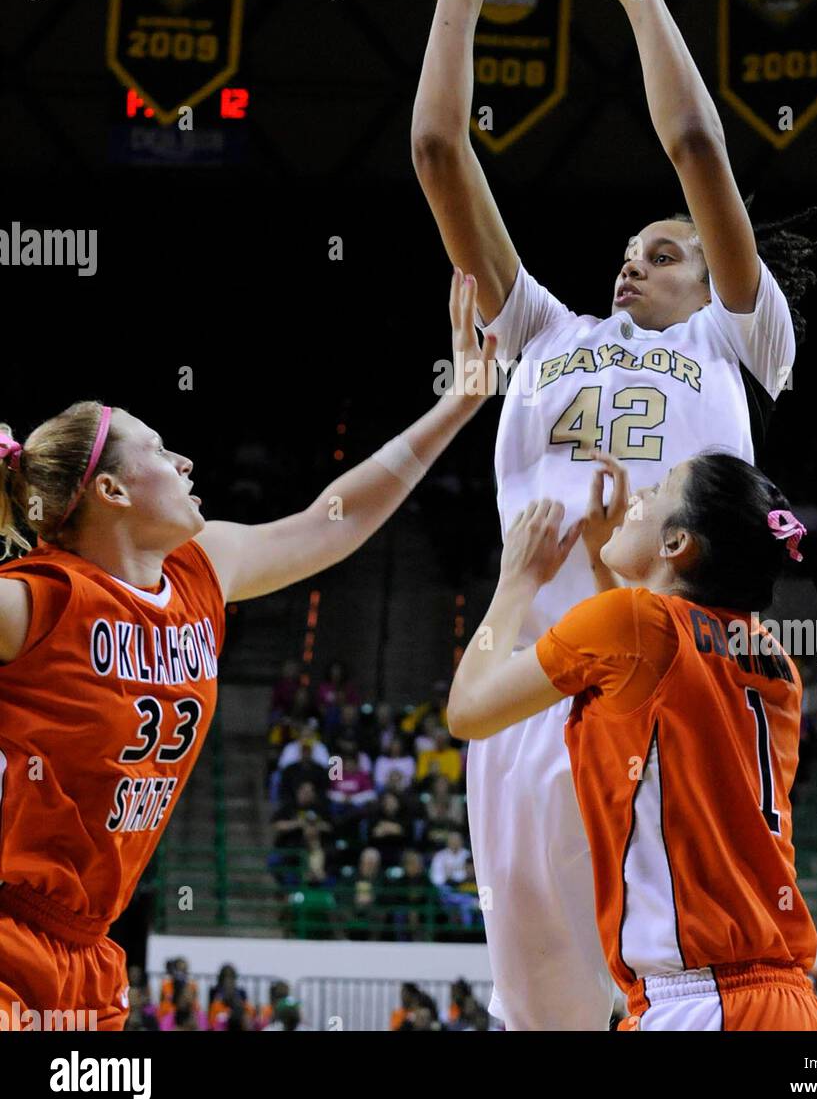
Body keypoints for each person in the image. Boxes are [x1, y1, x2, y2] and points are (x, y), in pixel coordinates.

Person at [413, 0, 817, 1030]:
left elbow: (700, 153)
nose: (631, 261)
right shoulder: (538, 327)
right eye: (628, 250)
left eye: (662, 250)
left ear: (710, 276)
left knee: (702, 977)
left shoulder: (732, 341)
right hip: (531, 692)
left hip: (667, 689)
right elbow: (441, 153)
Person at [0, 271, 496, 1030]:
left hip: (91, 951)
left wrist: (457, 403)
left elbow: (332, 522)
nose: (186, 462)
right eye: (161, 452)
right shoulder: (37, 600)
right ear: (113, 493)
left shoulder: (203, 570)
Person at [448, 449, 817, 1029]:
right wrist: (603, 557)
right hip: (785, 1001)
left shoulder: (636, 627)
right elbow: (640, 671)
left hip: (701, 1003)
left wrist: (515, 580)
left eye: (657, 490)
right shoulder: (773, 659)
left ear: (677, 545)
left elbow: (468, 712)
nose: (636, 499)